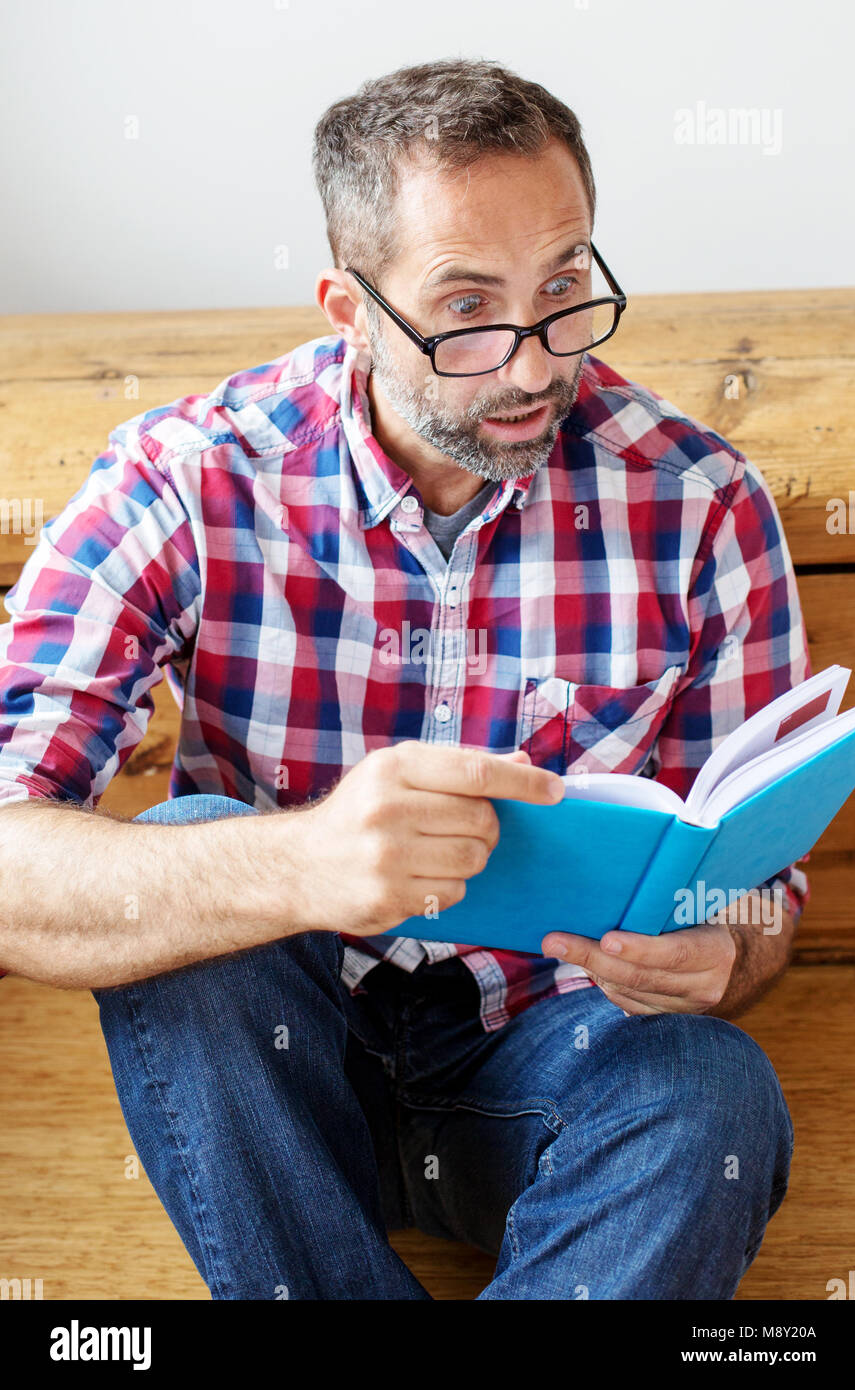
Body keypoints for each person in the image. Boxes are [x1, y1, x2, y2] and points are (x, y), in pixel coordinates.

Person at [0, 58, 806, 1299]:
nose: (535, 365)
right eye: (469, 307)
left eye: (563, 289)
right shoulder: (185, 481)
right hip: (271, 1093)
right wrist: (299, 861)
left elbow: (761, 896)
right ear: (350, 307)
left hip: (552, 1064)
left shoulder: (699, 508)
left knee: (710, 1091)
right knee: (200, 843)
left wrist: (728, 951)